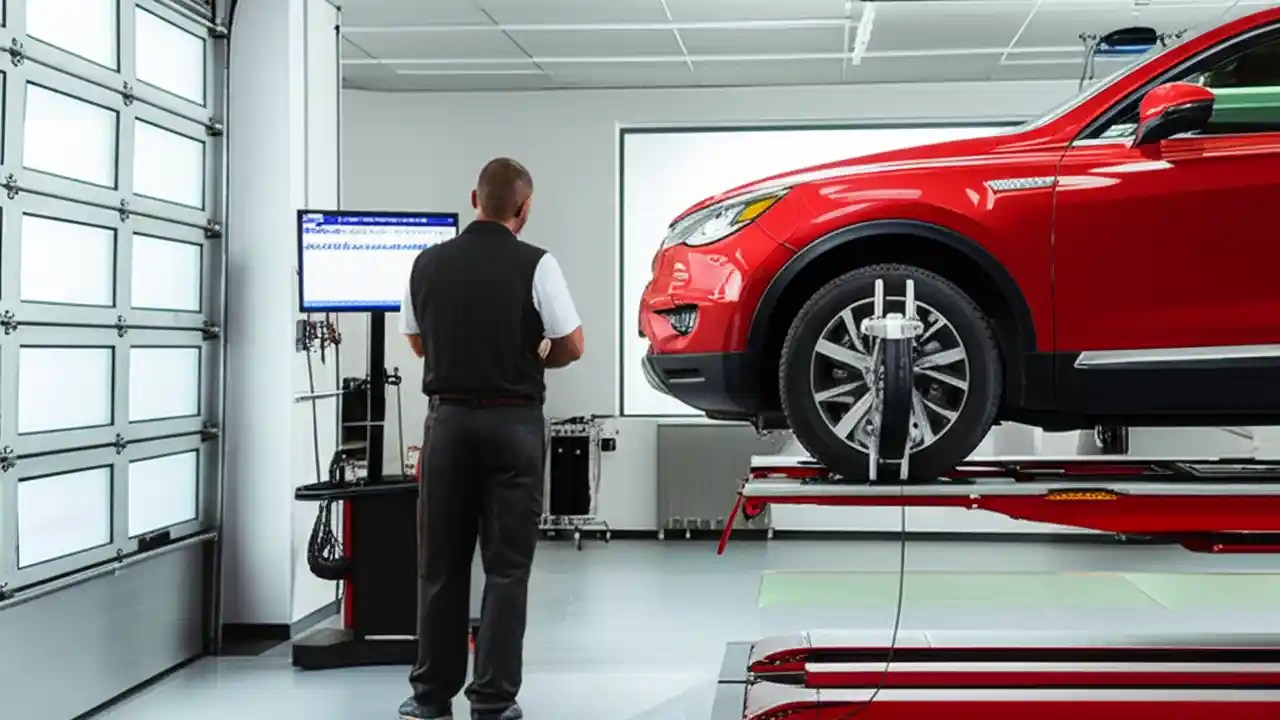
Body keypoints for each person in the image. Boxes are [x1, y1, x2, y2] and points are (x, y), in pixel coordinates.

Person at [397, 158, 584, 720]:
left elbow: (416, 343)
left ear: (474, 199)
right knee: (506, 568)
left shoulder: (425, 263)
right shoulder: (537, 263)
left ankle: (430, 697)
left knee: (440, 566)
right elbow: (572, 344)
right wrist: (529, 356)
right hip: (513, 425)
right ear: (523, 209)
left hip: (447, 426)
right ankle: (493, 700)